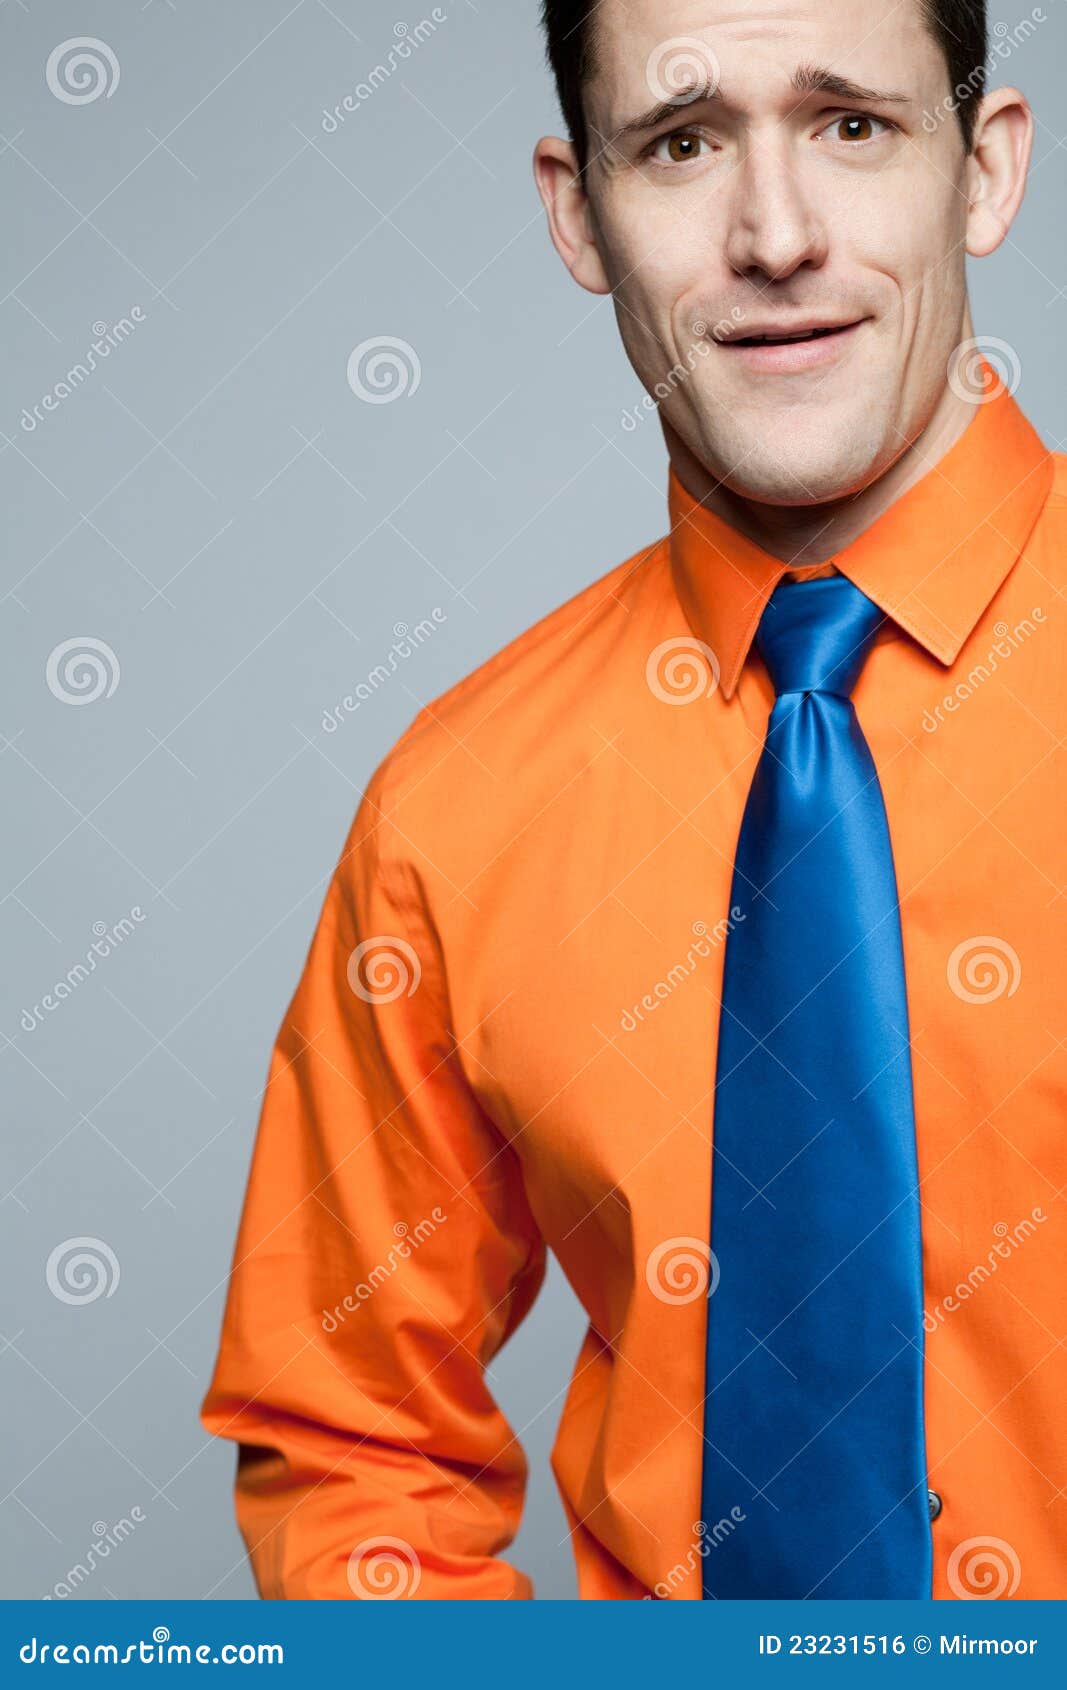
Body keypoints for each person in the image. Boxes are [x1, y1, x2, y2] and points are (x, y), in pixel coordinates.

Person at [201, 0, 1066, 1599]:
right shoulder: (457, 808)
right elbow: (352, 1441)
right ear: (575, 212)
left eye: (852, 125)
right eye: (680, 144)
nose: (776, 233)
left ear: (987, 171)